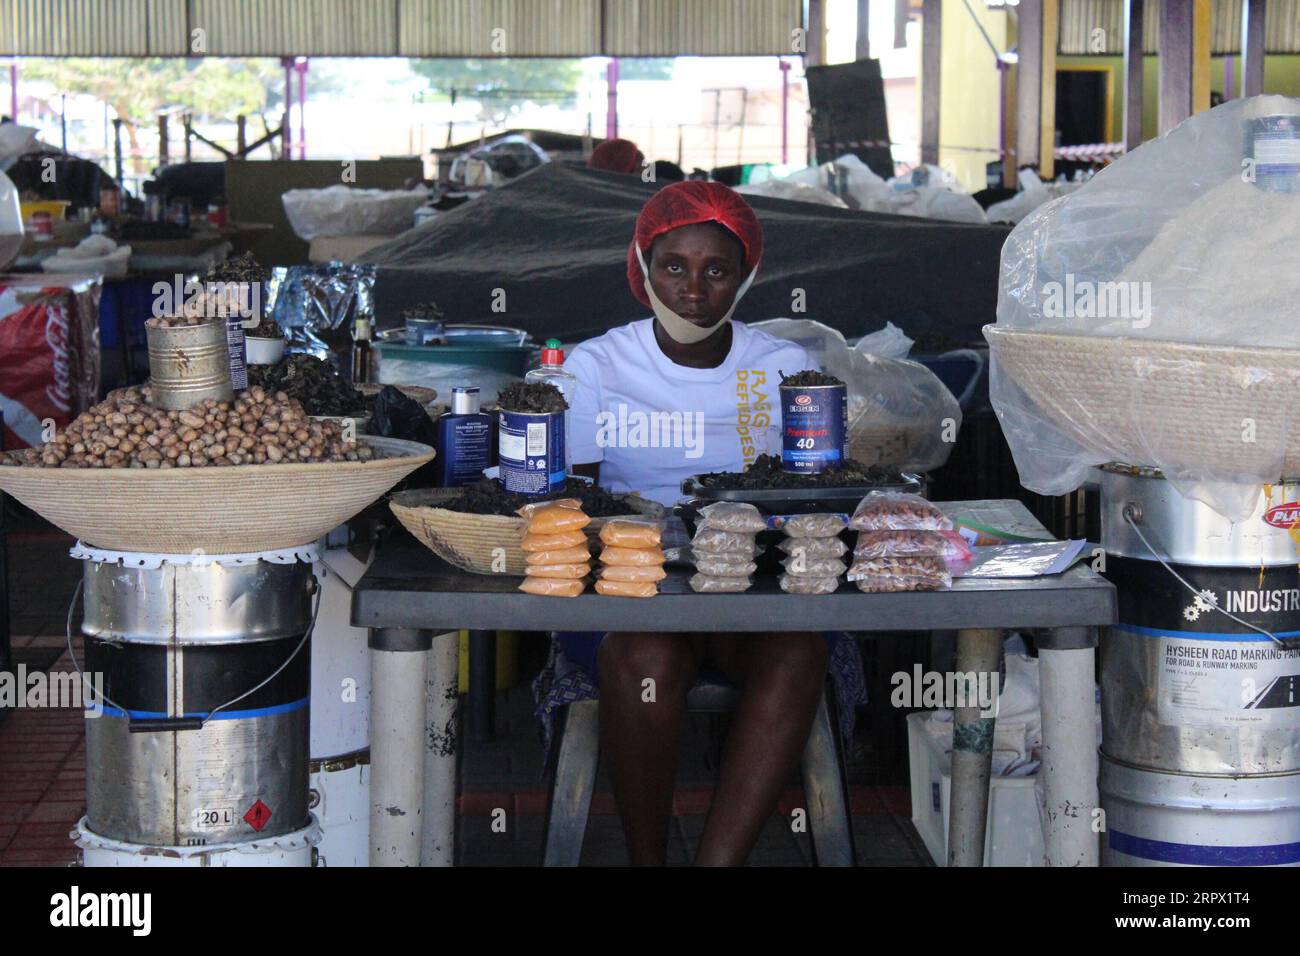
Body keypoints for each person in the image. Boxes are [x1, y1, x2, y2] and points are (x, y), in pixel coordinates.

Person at [558, 181, 853, 866]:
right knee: (647, 658)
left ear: (746, 276)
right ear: (642, 265)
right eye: (674, 266)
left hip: (751, 588)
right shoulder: (596, 366)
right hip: (634, 591)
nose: (694, 288)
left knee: (796, 649)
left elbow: (819, 492)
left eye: (717, 269)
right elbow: (570, 501)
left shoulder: (783, 368)